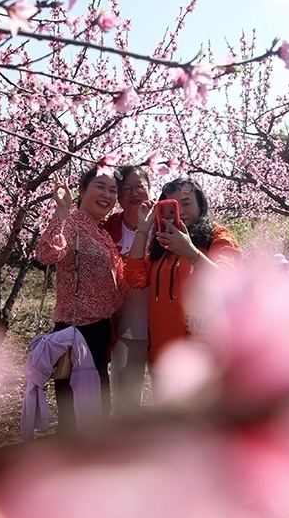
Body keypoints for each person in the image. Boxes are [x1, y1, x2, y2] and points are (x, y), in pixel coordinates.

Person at [123, 176, 242, 393]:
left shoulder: (218, 237)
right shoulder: (162, 243)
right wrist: (143, 228)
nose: (180, 212)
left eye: (186, 204)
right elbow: (134, 277)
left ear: (201, 205)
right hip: (162, 354)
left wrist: (190, 252)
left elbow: (226, 280)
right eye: (172, 207)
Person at [35, 165, 128, 434]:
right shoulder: (73, 223)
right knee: (76, 415)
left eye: (113, 190)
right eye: (100, 187)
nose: (107, 195)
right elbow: (47, 254)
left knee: (97, 410)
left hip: (99, 331)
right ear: (82, 190)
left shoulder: (101, 231)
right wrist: (62, 212)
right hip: (75, 331)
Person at [103, 166, 152, 416]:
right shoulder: (108, 227)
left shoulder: (166, 224)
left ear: (150, 189)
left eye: (139, 186)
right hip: (124, 328)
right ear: (118, 197)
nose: (134, 194)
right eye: (126, 189)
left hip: (164, 327)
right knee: (126, 401)